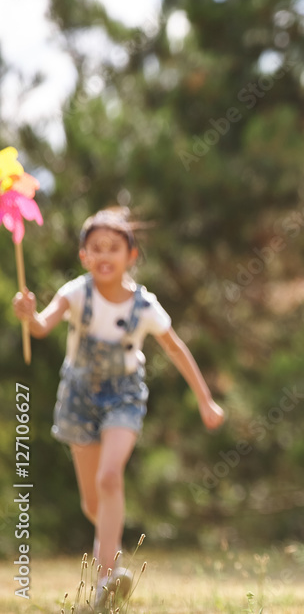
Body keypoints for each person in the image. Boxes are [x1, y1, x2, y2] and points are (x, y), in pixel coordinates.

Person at [12, 208, 225, 608]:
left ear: (132, 255)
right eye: (96, 248)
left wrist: (205, 398)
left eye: (114, 248)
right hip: (78, 398)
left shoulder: (144, 307)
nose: (105, 255)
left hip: (124, 397)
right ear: (83, 257)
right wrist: (28, 314)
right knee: (93, 503)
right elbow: (41, 326)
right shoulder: (75, 293)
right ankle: (116, 559)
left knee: (110, 478)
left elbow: (176, 350)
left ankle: (105, 578)